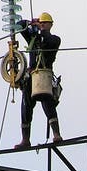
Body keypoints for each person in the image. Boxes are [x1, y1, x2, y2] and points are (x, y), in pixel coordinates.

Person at [14, 12, 62, 149]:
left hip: (44, 74)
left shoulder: (54, 39)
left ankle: (56, 134)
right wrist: (29, 23)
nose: (42, 25)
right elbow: (20, 25)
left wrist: (41, 29)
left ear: (50, 24)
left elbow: (49, 39)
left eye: (44, 23)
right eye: (41, 23)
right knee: (26, 107)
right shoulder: (33, 39)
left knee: (48, 103)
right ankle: (25, 139)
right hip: (31, 76)